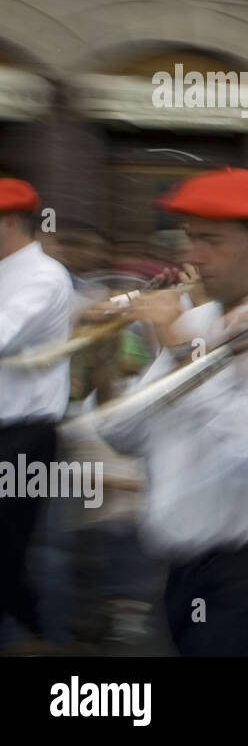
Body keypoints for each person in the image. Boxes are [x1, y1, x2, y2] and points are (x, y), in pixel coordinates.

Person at [93, 167, 248, 656]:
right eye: (190, 240)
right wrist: (103, 348)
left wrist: (183, 352)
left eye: (211, 241)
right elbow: (122, 433)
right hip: (185, 568)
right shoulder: (199, 320)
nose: (192, 257)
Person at [0, 178, 73, 644]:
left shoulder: (43, 276)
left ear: (7, 223)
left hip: (22, 435)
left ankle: (39, 632)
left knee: (6, 548)